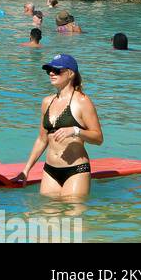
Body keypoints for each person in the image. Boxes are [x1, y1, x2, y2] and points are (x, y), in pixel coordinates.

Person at [15, 55, 104, 198]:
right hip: (50, 170)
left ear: (71, 73)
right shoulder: (47, 102)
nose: (51, 73)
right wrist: (26, 170)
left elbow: (98, 138)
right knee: (48, 218)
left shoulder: (82, 101)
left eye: (57, 70)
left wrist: (76, 131)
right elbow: (42, 140)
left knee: (74, 219)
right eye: (49, 70)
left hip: (76, 170)